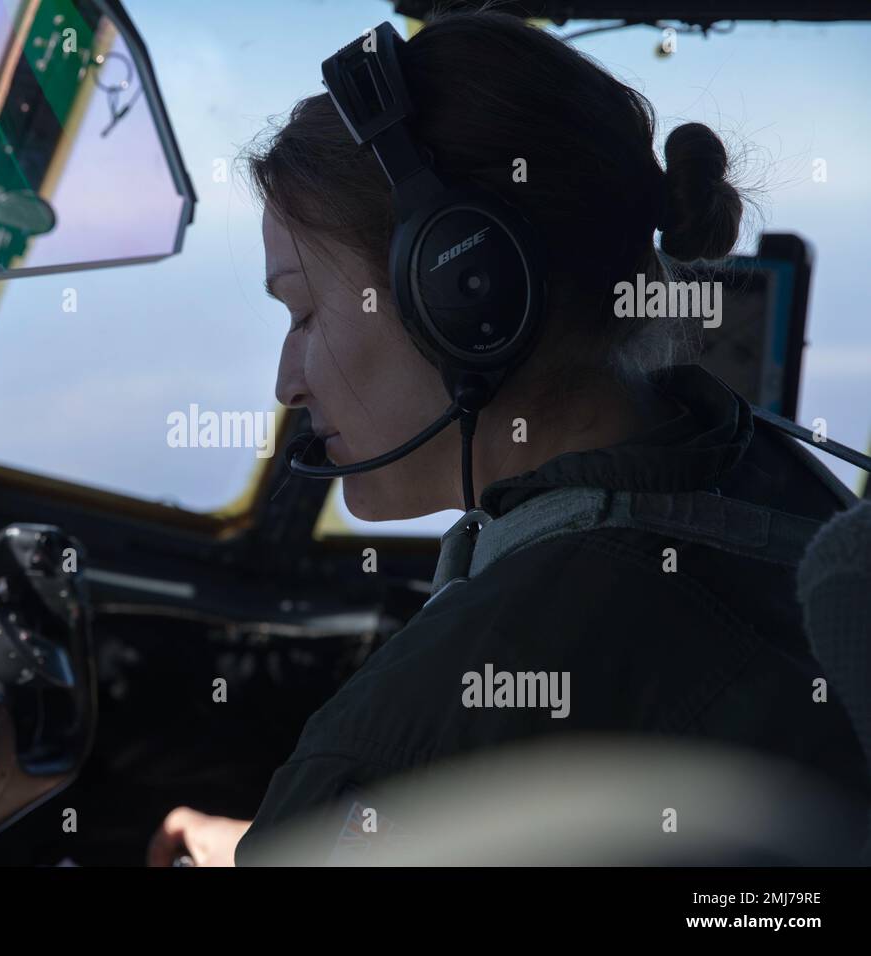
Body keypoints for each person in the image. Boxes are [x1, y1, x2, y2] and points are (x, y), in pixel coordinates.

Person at [147, 9, 868, 867]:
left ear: (463, 294)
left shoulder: (409, 738)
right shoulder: (785, 493)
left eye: (304, 312)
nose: (286, 382)